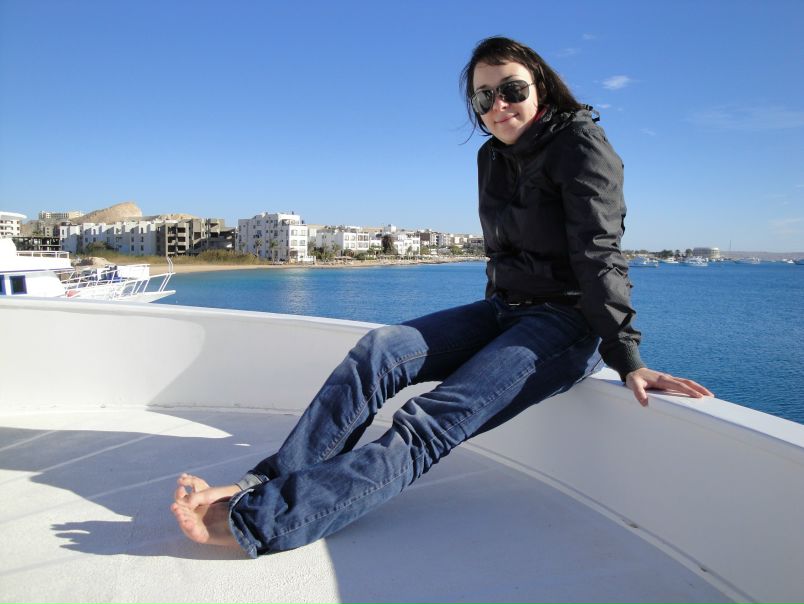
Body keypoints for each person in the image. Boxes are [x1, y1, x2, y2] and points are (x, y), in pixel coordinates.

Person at [171, 36, 713, 557]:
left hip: (568, 323)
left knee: (431, 418)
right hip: (506, 309)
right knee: (378, 351)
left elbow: (599, 254)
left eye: (512, 90)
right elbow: (506, 254)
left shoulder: (580, 145)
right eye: (484, 97)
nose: (498, 106)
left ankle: (261, 521)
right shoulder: (492, 157)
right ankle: (264, 483)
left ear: (541, 88)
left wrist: (627, 356)